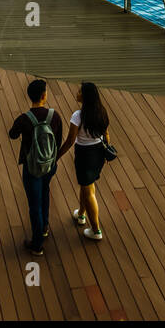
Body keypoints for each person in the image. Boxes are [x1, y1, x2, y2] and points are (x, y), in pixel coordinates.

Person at [7, 78, 64, 256]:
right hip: (49, 165)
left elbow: (12, 134)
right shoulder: (54, 116)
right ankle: (45, 227)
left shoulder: (25, 119)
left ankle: (37, 244)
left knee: (34, 206)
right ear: (43, 96)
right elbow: (59, 138)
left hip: (32, 168)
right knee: (45, 192)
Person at [56, 81, 111, 242]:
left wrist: (57, 156)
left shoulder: (77, 116)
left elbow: (70, 140)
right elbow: (106, 134)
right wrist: (106, 150)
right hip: (98, 154)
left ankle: (96, 230)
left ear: (85, 97)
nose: (77, 93)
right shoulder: (102, 112)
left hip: (84, 155)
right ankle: (81, 214)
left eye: (79, 91)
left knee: (89, 191)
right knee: (87, 184)